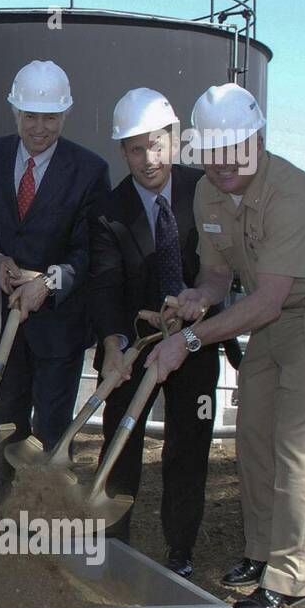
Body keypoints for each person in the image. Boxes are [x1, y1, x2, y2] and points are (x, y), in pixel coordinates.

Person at [146, 83, 305, 608]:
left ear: (258, 140)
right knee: (253, 434)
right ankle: (260, 550)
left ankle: (292, 576)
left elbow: (267, 300)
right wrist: (198, 298)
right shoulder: (207, 191)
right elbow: (221, 272)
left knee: (298, 445)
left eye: (235, 149)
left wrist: (191, 339)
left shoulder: (296, 194)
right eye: (211, 150)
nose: (223, 162)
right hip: (273, 310)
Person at [88, 88, 217, 576]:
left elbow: (222, 270)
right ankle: (113, 547)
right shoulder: (108, 210)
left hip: (196, 344)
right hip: (131, 349)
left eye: (157, 145)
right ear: (123, 152)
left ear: (175, 139)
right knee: (120, 447)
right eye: (136, 149)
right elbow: (104, 286)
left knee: (188, 450)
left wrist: (196, 307)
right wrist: (114, 346)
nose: (149, 159)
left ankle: (180, 553)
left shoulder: (204, 191)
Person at [0, 60, 111, 509]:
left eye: (49, 117)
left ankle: (44, 514)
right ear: (15, 112)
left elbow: (88, 250)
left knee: (52, 427)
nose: (39, 127)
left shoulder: (89, 170)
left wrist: (49, 283)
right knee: (1, 419)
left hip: (58, 326)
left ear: (65, 115)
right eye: (30, 116)